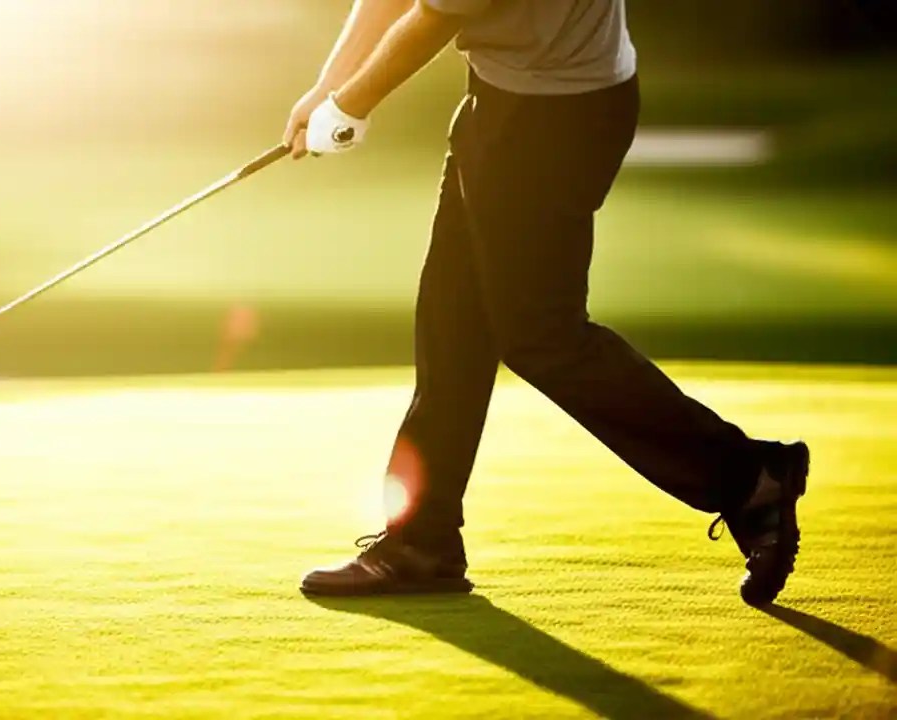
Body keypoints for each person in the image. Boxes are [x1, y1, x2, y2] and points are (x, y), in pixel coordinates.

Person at [286, 0, 809, 607]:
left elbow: (435, 15)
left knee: (542, 335)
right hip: (508, 100)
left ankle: (748, 479)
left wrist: (349, 104)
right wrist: (330, 87)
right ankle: (420, 542)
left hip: (551, 117)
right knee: (454, 321)